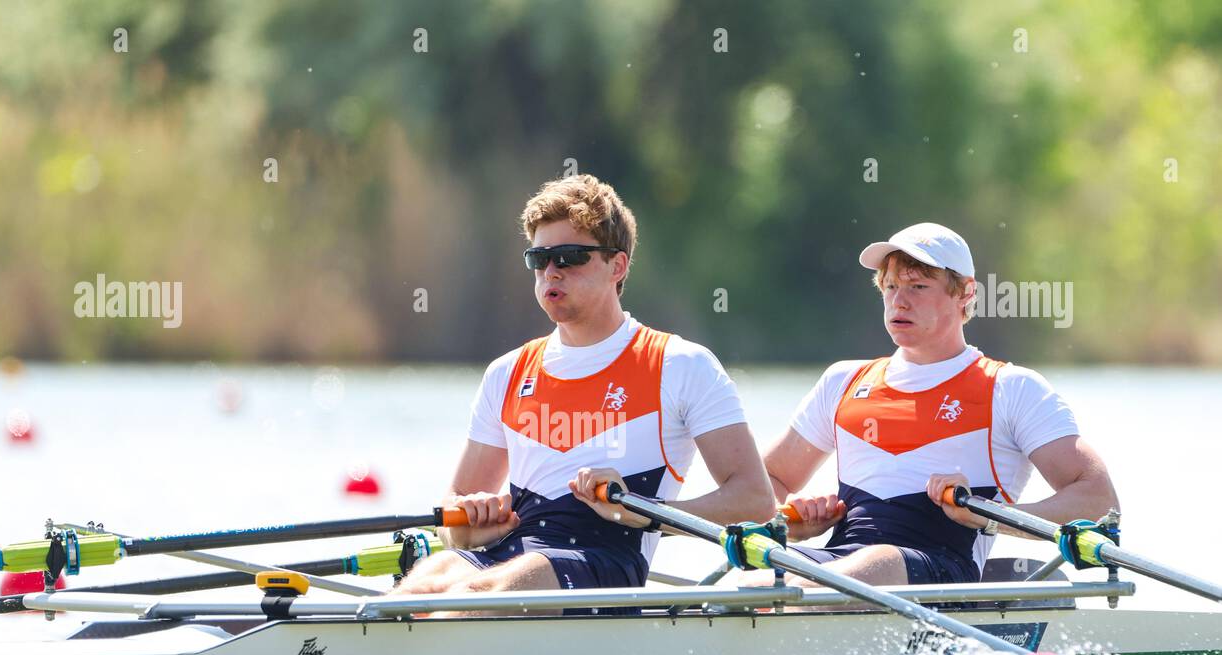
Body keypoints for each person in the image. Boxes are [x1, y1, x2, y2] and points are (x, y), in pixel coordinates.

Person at [398, 174, 774, 608]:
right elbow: (453, 514)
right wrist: (467, 526)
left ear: (617, 266)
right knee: (422, 581)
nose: (551, 271)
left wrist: (644, 513)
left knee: (487, 589)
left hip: (605, 563)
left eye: (570, 256)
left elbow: (755, 500)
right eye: (539, 259)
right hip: (509, 554)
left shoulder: (681, 365)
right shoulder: (507, 372)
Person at [741, 222, 1117, 588]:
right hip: (839, 562)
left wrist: (991, 519)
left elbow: (1097, 499)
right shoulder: (843, 381)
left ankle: (795, 610)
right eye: (890, 286)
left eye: (918, 286)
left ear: (966, 293)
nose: (898, 300)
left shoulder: (1011, 389)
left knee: (878, 562)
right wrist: (785, 521)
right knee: (749, 583)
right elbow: (767, 483)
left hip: (943, 572)